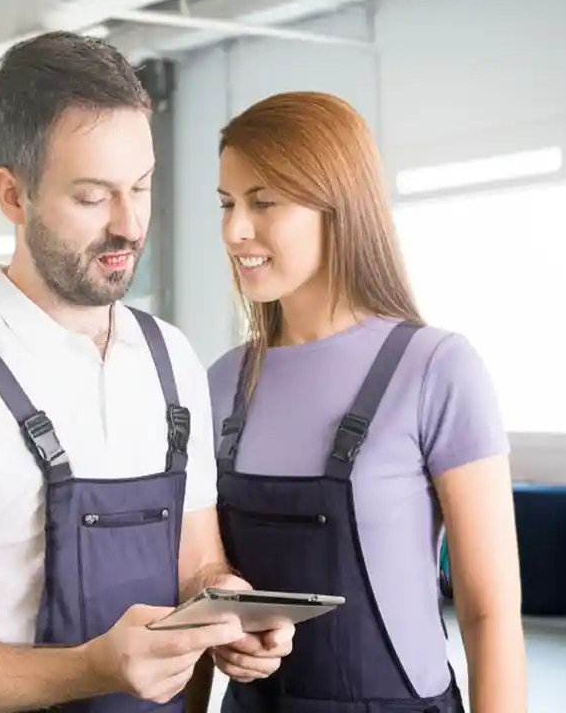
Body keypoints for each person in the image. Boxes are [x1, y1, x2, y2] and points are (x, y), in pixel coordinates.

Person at [0, 32, 294, 713]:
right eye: (93, 197)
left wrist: (227, 609)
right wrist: (91, 668)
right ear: (12, 194)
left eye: (142, 187)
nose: (129, 225)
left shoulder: (171, 359)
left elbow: (198, 562)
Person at [207, 91, 527, 712]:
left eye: (263, 201)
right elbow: (198, 591)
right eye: (226, 203)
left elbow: (489, 614)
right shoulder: (220, 383)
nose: (233, 230)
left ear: (338, 206)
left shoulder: (437, 369)